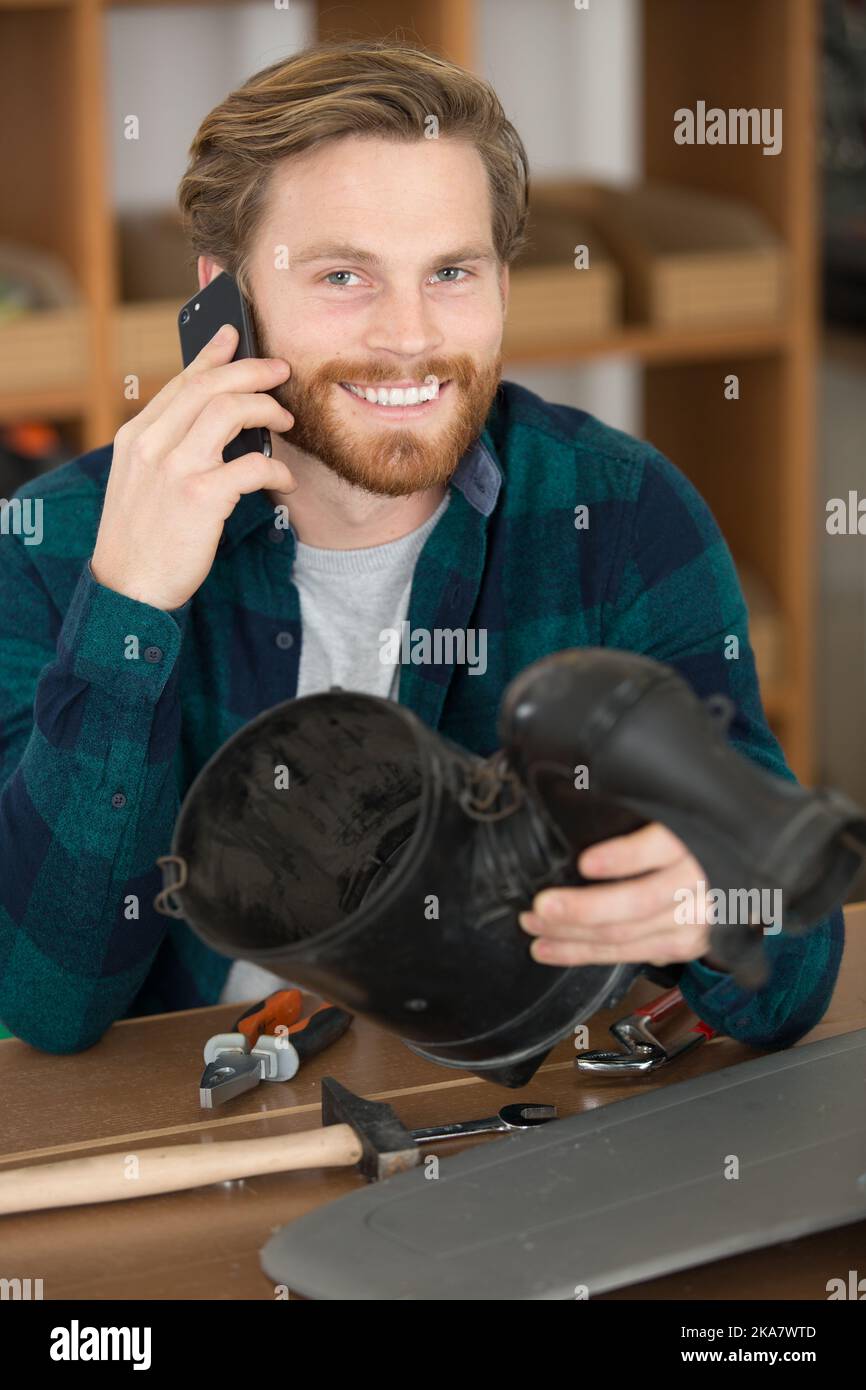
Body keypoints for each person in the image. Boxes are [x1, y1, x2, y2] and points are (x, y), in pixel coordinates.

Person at [0, 40, 842, 1052]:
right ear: (222, 296)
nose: (408, 337)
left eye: (450, 271)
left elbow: (791, 966)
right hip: (179, 1127)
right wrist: (128, 603)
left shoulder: (617, 513)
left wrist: (721, 905)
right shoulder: (58, 543)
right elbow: (44, 1001)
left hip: (510, 1121)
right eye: (343, 274)